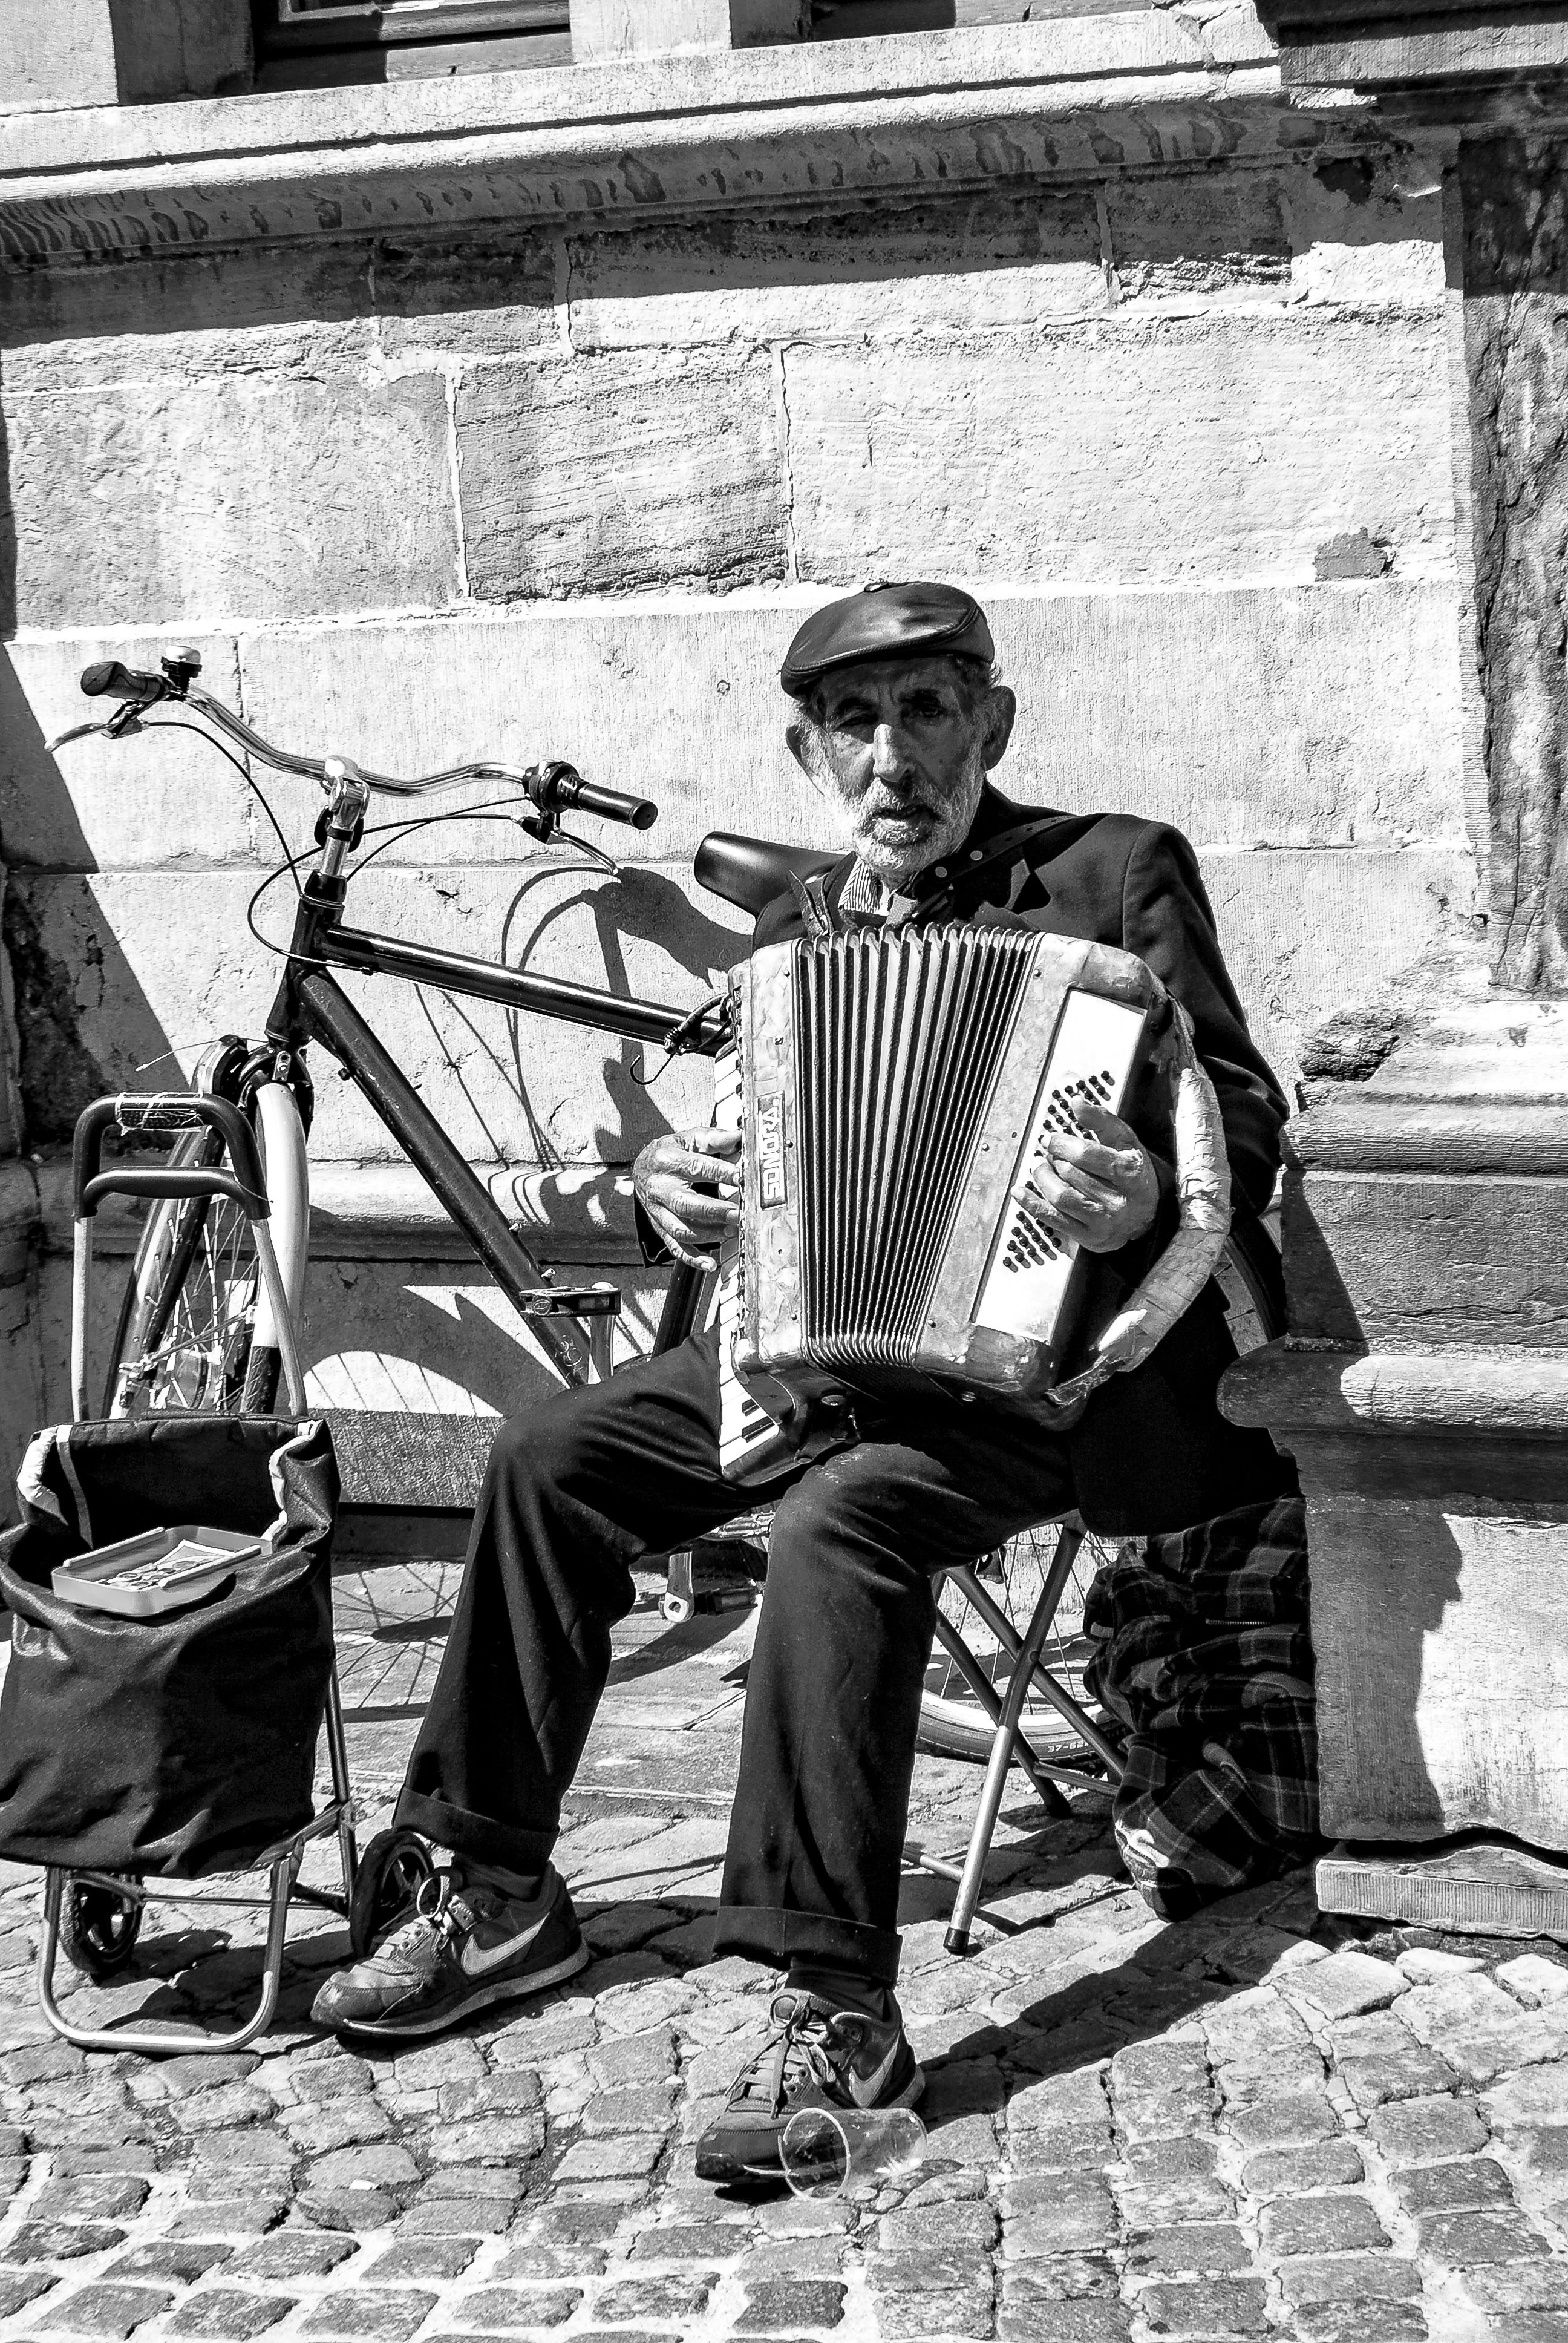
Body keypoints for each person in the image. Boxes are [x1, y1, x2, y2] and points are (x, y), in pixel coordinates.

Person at [312, 582, 1292, 2182]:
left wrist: (1143, 1197)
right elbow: (752, 1163)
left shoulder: (1112, 874)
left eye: (924, 710)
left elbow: (1239, 1118)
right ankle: (487, 1884)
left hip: (1037, 1380)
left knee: (841, 1527)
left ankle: (836, 2008)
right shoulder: (799, 935)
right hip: (816, 1354)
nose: (893, 754)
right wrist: (667, 1189)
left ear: (995, 724)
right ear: (810, 748)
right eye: (856, 721)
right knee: (552, 1453)